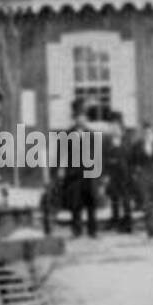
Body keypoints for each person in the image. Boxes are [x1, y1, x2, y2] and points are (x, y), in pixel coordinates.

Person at [62, 101, 98, 238]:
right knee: (75, 202)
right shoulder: (67, 134)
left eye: (83, 117)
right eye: (78, 117)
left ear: (85, 118)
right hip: (74, 174)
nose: (80, 119)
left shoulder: (91, 134)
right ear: (74, 119)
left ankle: (93, 230)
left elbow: (96, 154)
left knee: (91, 202)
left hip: (89, 173)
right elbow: (63, 154)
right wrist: (63, 169)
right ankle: (76, 230)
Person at [103, 112, 133, 233]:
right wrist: (105, 174)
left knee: (125, 199)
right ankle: (115, 220)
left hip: (125, 173)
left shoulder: (126, 139)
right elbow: (103, 156)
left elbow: (130, 155)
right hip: (112, 173)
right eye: (111, 126)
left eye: (116, 125)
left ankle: (127, 222)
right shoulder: (107, 140)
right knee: (114, 198)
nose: (114, 128)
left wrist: (119, 147)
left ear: (121, 125)